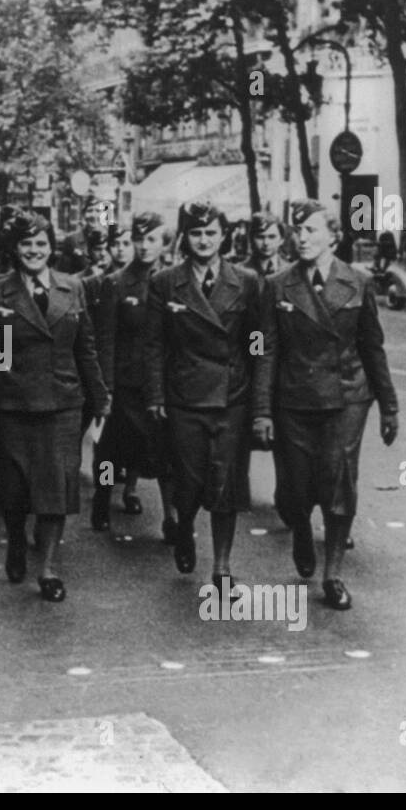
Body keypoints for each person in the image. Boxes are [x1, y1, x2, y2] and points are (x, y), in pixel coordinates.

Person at [252, 200, 399, 610]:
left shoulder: (359, 281)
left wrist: (389, 406)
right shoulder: (278, 285)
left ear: (334, 236)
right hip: (294, 398)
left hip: (347, 396)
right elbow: (264, 351)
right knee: (296, 487)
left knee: (338, 482)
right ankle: (300, 528)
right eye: (297, 231)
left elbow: (372, 346)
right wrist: (262, 411)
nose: (302, 238)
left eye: (311, 231)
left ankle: (333, 574)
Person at [0, 212, 110, 602]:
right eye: (27, 244)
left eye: (42, 244)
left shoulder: (73, 287)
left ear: (52, 248)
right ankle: (16, 537)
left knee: (56, 490)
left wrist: (100, 397)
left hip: (63, 405)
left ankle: (47, 568)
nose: (35, 251)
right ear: (15, 249)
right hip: (12, 403)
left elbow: (87, 347)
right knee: (14, 490)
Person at [144, 202, 263, 597]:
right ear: (184, 237)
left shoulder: (246, 281)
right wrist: (157, 396)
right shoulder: (165, 282)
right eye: (196, 233)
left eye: (211, 232)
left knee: (226, 484)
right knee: (189, 481)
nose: (204, 240)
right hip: (185, 398)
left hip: (232, 396)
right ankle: (183, 529)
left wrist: (259, 399)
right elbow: (155, 345)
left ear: (224, 235)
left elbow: (257, 342)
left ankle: (223, 567)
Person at [93, 212, 174, 534]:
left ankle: (172, 517)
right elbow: (106, 340)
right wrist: (106, 390)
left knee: (166, 451)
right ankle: (102, 500)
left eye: (151, 239)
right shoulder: (116, 283)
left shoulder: (172, 281)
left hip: (160, 383)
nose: (143, 246)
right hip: (125, 384)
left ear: (164, 243)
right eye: (138, 239)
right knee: (110, 452)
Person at [242, 213, 292, 277]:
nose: (266, 243)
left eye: (272, 237)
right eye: (260, 237)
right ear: (252, 239)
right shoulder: (240, 271)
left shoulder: (291, 271)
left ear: (281, 240)